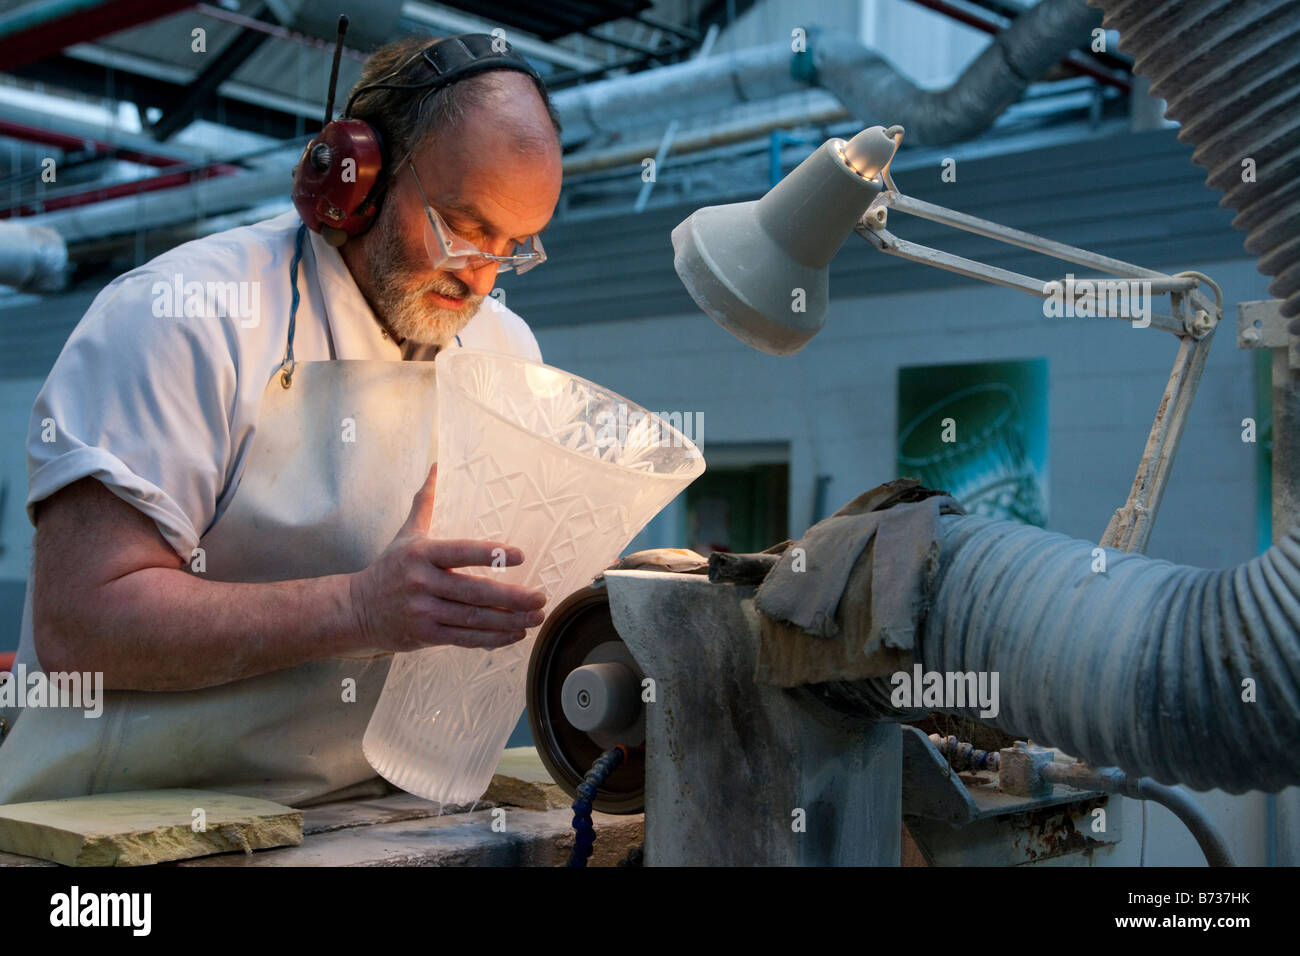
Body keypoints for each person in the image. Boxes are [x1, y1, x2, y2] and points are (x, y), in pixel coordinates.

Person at [0, 33, 562, 808]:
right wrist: (358, 609)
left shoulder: (506, 351)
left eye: (515, 246)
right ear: (357, 176)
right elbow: (81, 624)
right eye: (460, 227)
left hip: (373, 813)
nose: (481, 276)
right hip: (124, 821)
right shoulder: (189, 316)